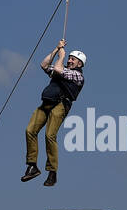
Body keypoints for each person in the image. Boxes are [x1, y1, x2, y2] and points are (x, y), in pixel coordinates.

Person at [21, 39, 85, 187]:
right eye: (69, 58)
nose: (69, 60)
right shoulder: (61, 70)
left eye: (73, 59)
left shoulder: (78, 76)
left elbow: (58, 70)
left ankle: (52, 171)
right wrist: (56, 50)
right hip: (47, 102)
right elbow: (44, 65)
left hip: (60, 105)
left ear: (80, 64)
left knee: (50, 135)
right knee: (30, 130)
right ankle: (32, 166)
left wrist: (61, 58)